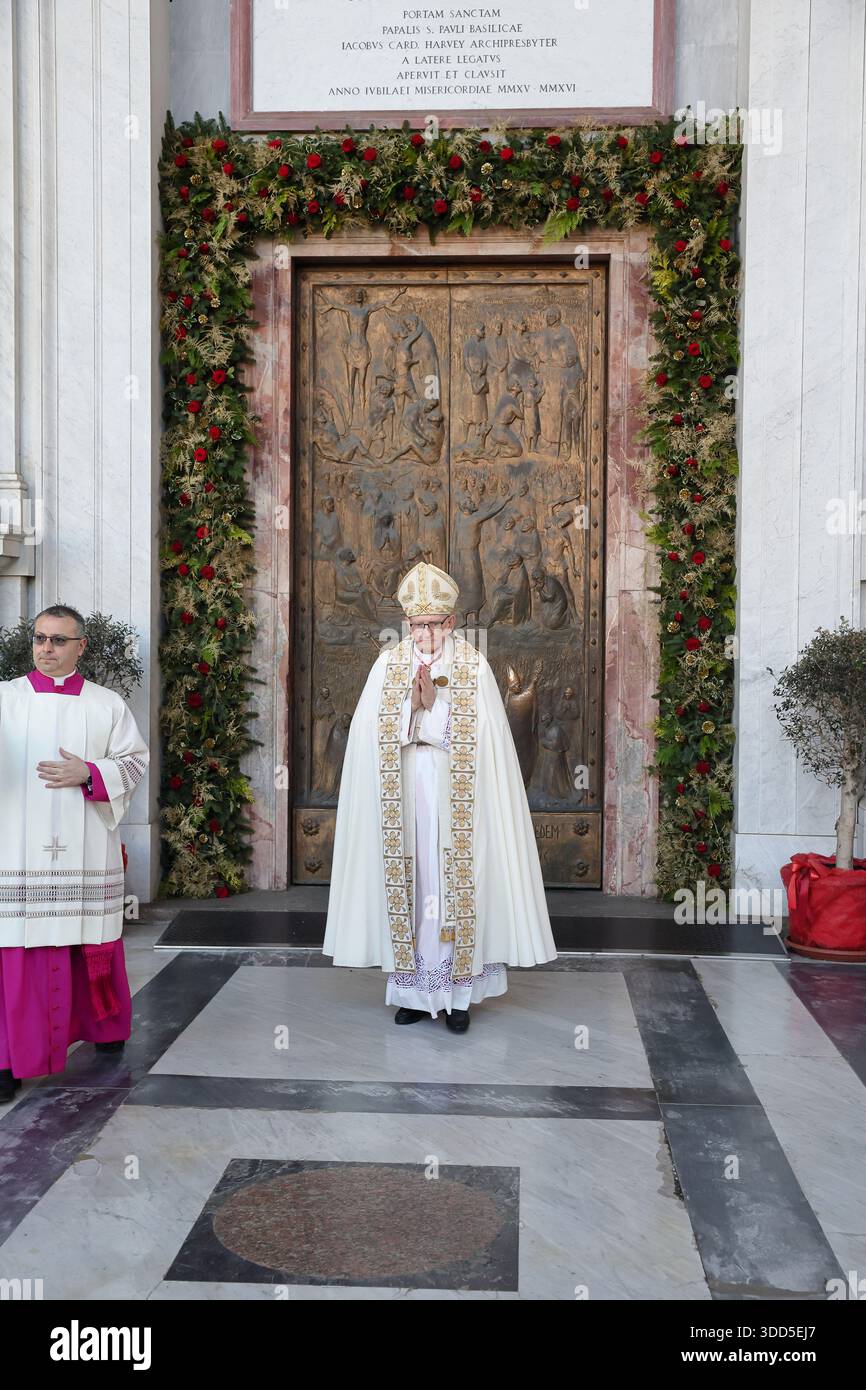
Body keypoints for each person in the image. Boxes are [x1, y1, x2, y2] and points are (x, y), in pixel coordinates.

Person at [323, 561, 556, 1032]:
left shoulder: (472, 667)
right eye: (416, 624)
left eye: (432, 624)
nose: (424, 632)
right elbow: (369, 734)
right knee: (416, 886)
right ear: (406, 623)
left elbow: (486, 740)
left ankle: (458, 999)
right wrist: (409, 708)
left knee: (451, 890)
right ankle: (412, 993)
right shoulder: (389, 664)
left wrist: (435, 710)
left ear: (451, 622)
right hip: (407, 804)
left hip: (459, 807)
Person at [0, 605, 149, 1102]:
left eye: (59, 640)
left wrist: (91, 773)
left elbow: (134, 761)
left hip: (84, 842)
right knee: (18, 945)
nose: (47, 648)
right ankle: (8, 1058)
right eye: (40, 638)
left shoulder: (106, 705)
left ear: (80, 646)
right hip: (17, 849)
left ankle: (104, 1028)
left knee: (89, 937)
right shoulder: (6, 699)